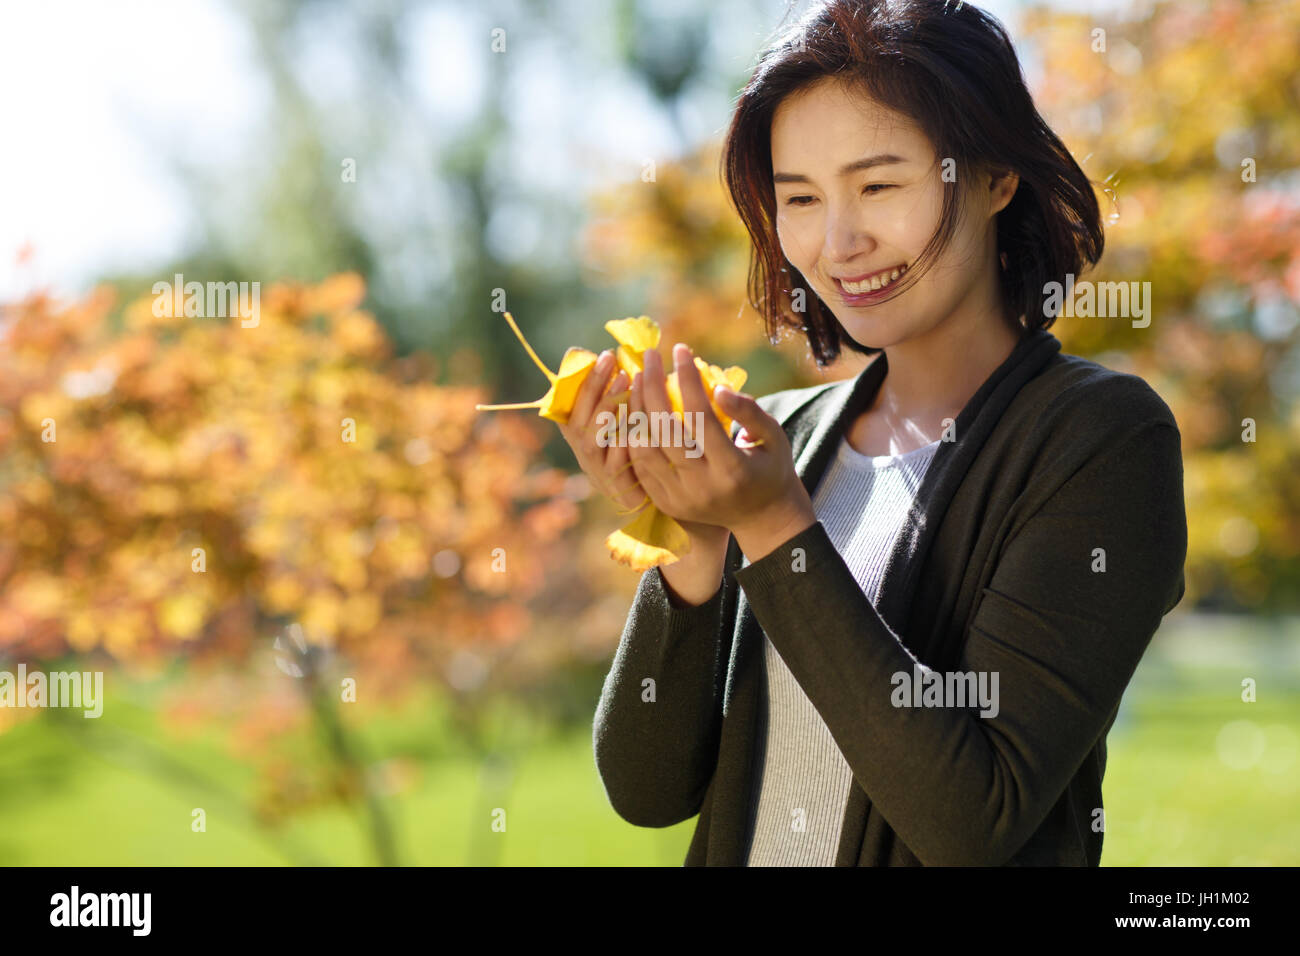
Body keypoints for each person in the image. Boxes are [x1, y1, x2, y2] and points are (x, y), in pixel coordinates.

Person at [564, 0, 1187, 865]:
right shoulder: (772, 445)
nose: (839, 241)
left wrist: (777, 528)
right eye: (801, 200)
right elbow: (646, 792)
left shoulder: (1101, 441)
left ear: (996, 176)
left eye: (880, 184)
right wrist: (693, 542)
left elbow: (973, 819)